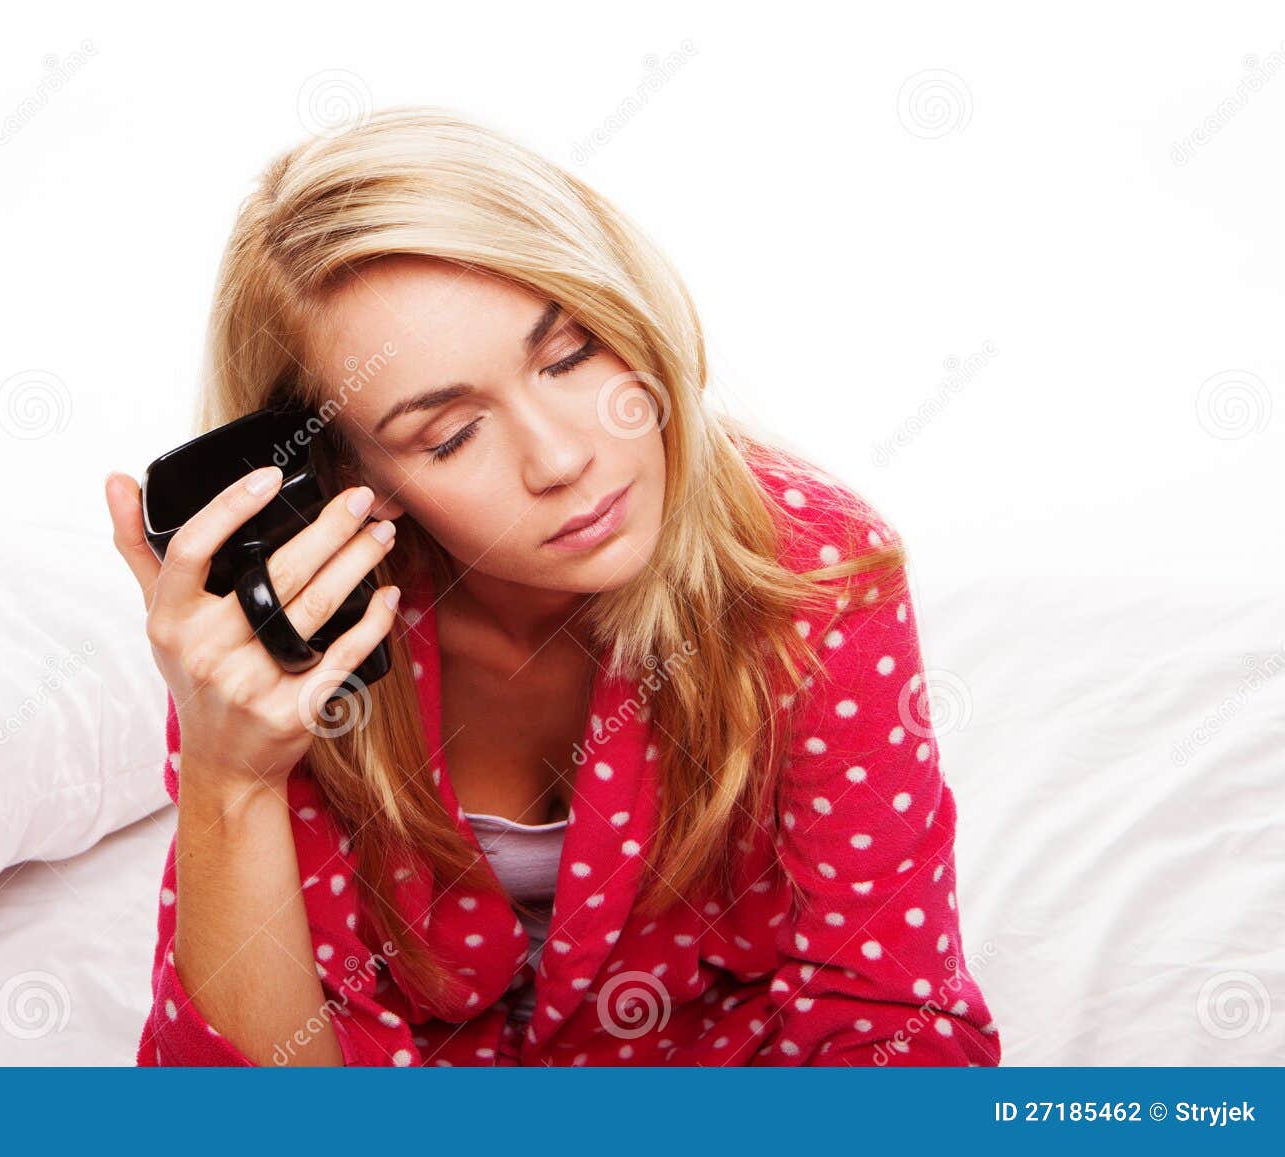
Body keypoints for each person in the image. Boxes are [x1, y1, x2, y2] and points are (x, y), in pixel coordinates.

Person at [103, 106, 1002, 1067]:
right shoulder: (291, 628)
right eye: (448, 434)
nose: (565, 457)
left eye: (570, 355)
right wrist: (230, 777)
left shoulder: (814, 572)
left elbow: (891, 1022)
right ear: (346, 476)